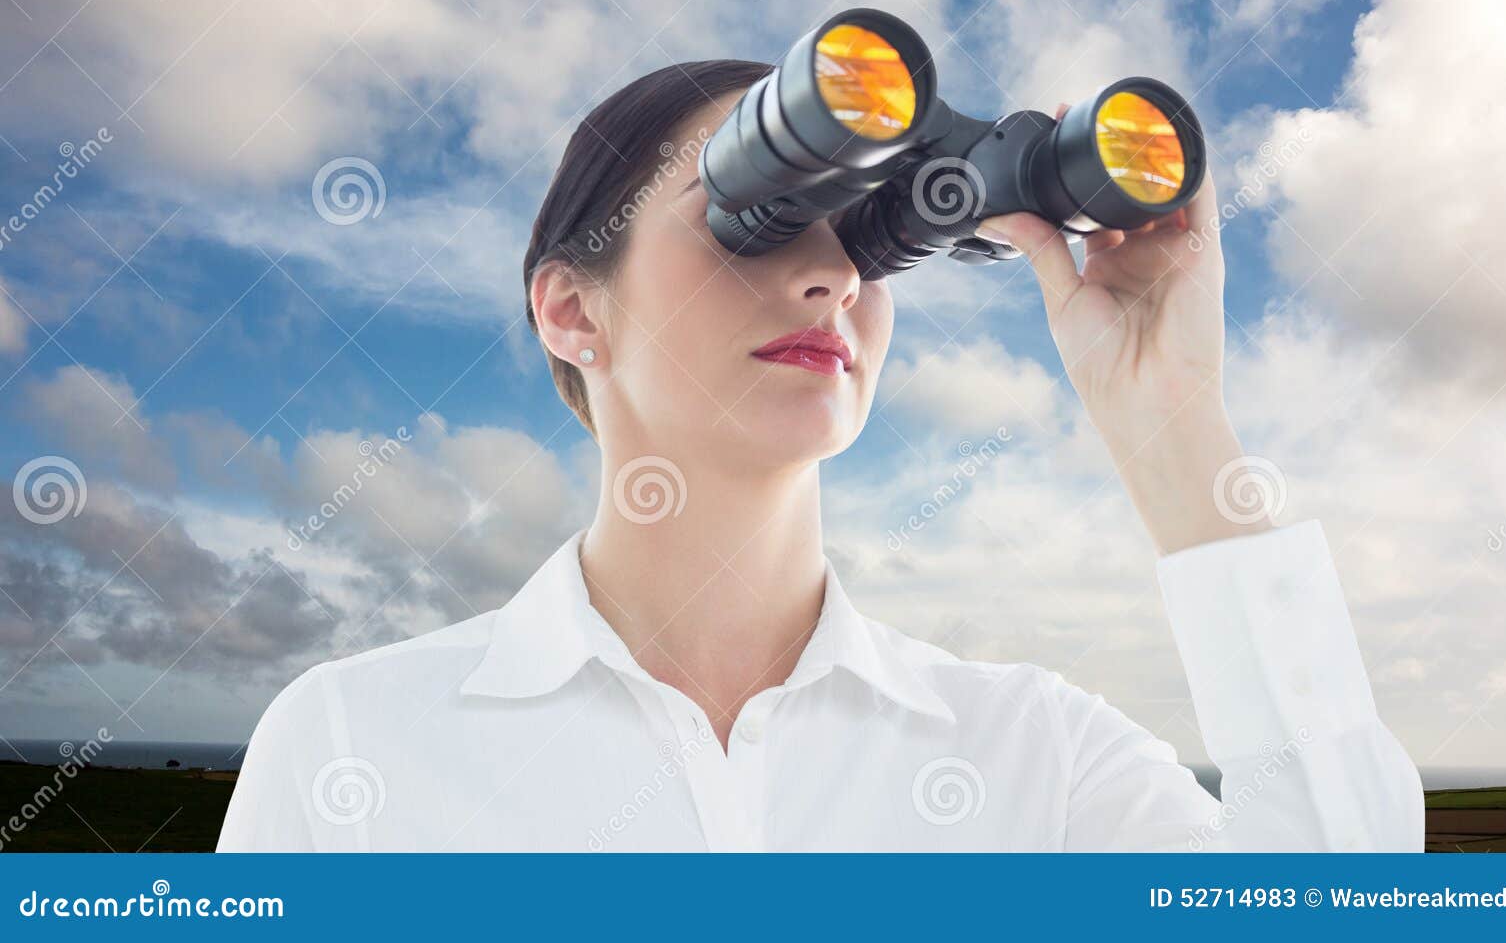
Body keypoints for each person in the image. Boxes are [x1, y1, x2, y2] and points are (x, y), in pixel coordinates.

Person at [217, 60, 1423, 851]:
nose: (832, 273)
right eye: (752, 215)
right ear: (572, 311)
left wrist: (1172, 421)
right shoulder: (350, 742)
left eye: (866, 236)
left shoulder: (1034, 753)